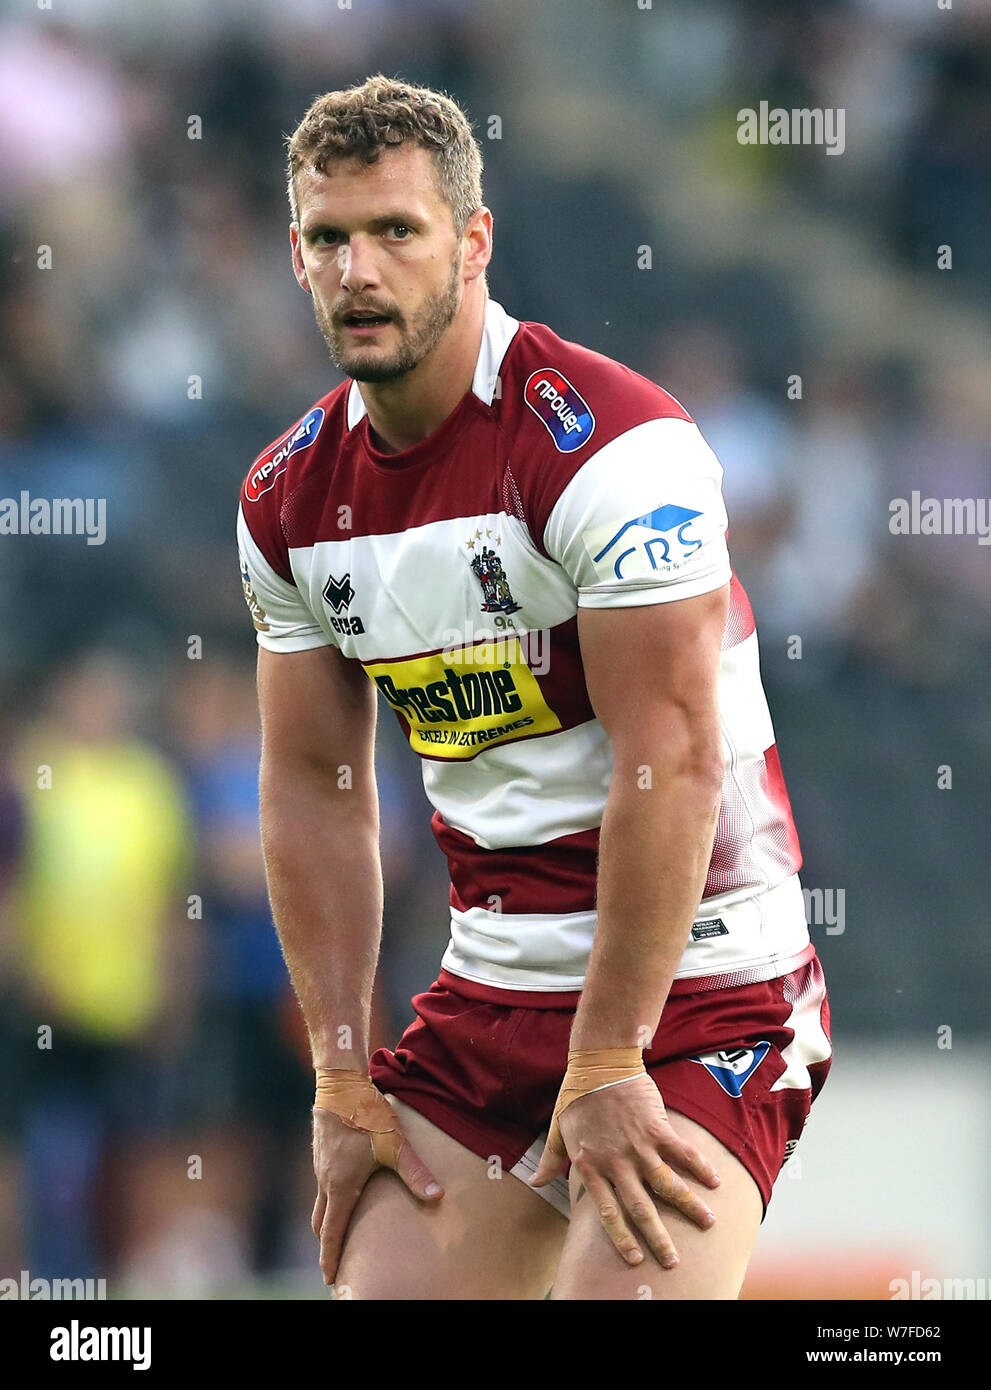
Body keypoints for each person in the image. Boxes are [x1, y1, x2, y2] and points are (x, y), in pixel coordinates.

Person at [236, 75, 832, 1301]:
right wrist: (342, 1077)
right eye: (328, 238)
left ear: (473, 240)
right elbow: (310, 784)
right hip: (489, 993)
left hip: (697, 993)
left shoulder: (612, 446)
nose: (359, 270)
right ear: (296, 256)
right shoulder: (284, 499)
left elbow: (668, 757)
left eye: (396, 231)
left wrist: (610, 1054)